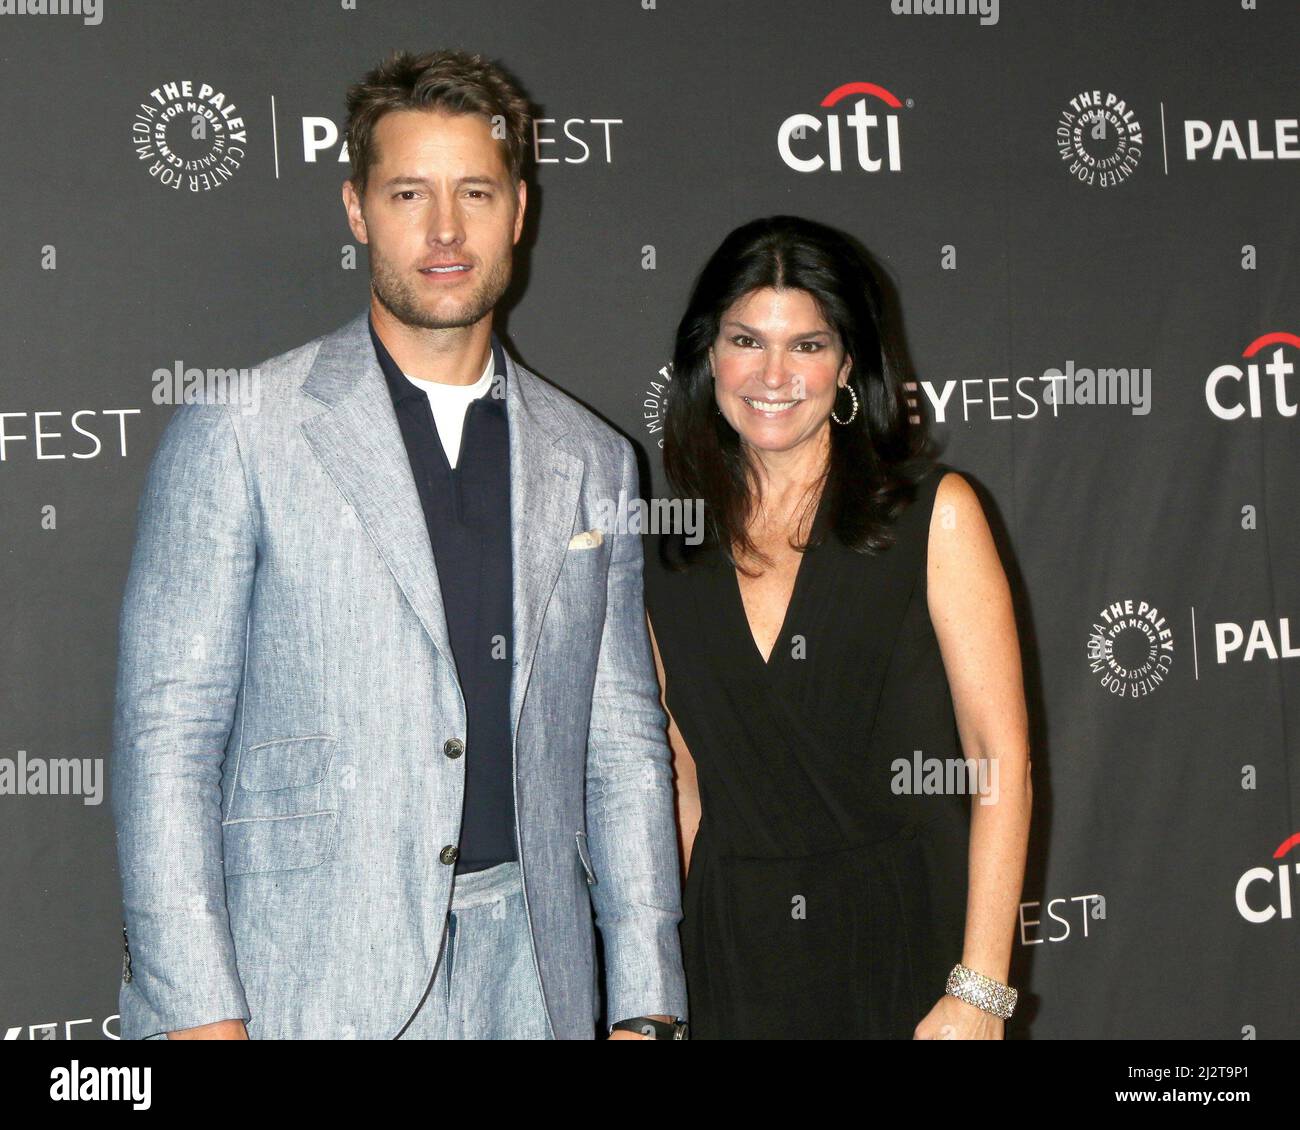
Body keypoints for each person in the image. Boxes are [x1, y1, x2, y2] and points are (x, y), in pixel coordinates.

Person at [111, 48, 687, 1041]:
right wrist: (199, 1014)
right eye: (408, 192)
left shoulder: (595, 457)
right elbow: (166, 743)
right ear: (355, 208)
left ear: (518, 210)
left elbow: (624, 742)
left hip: (534, 972)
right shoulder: (241, 429)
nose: (445, 228)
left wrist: (643, 998)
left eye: (475, 190)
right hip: (311, 970)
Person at [643, 215, 1031, 1039]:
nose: (774, 374)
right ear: (706, 354)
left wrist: (981, 991)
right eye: (747, 339)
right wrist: (659, 994)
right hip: (731, 965)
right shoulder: (666, 548)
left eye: (808, 345)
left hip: (906, 954)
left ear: (850, 363)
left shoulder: (934, 519)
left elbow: (998, 764)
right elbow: (679, 787)